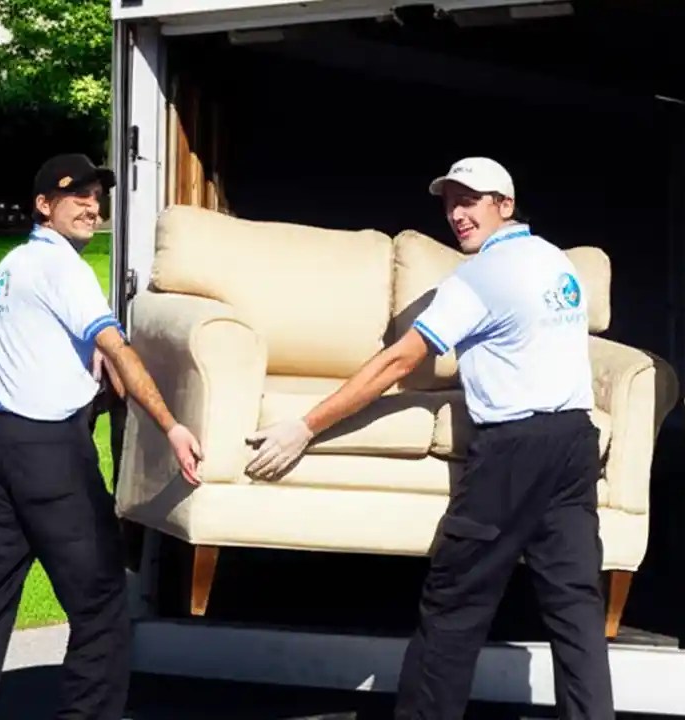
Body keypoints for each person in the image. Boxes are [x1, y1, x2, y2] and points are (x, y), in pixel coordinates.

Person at [245, 156, 615, 719]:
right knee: (575, 608)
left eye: (471, 200)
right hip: (573, 444)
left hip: (513, 452)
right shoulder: (554, 262)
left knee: (455, 604)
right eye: (450, 201)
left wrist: (304, 426)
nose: (457, 214)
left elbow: (397, 362)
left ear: (505, 205)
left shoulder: (481, 277)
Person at [0, 153, 204, 720]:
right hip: (52, 454)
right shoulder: (64, 270)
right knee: (102, 604)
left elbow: (50, 357)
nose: (91, 205)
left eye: (95, 195)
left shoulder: (11, 266)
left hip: (1, 446)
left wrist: (97, 391)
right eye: (75, 195)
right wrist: (172, 425)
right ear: (43, 206)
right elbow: (115, 348)